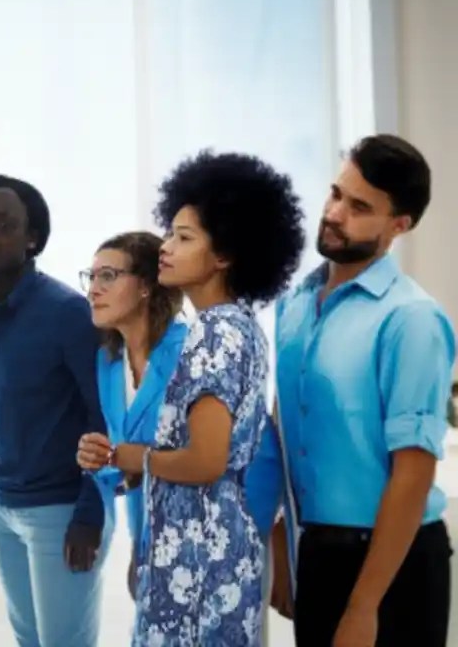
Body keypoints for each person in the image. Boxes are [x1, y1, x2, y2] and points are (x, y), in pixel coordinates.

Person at [78, 151, 305, 646]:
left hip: (202, 562)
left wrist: (125, 454)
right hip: (201, 553)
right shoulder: (238, 325)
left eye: (184, 238)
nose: (166, 247)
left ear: (223, 254)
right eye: (169, 233)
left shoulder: (213, 335)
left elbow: (206, 461)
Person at [270, 135, 456, 647]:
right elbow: (282, 428)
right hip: (318, 554)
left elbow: (414, 473)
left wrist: (363, 606)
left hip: (394, 567)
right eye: (335, 194)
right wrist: (281, 545)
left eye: (359, 207)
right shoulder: (295, 305)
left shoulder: (411, 319)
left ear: (400, 225)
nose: (333, 213)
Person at [0, 174, 111, 647]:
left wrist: (90, 511)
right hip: (3, 506)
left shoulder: (67, 310)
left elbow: (101, 413)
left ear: (33, 239)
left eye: (3, 224)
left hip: (63, 510)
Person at [76, 231, 188, 601]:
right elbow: (127, 466)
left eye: (107, 276)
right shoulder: (108, 363)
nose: (94, 289)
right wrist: (99, 460)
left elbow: (215, 455)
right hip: (146, 543)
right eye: (91, 277)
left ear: (146, 286)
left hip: (201, 542)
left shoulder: (191, 351)